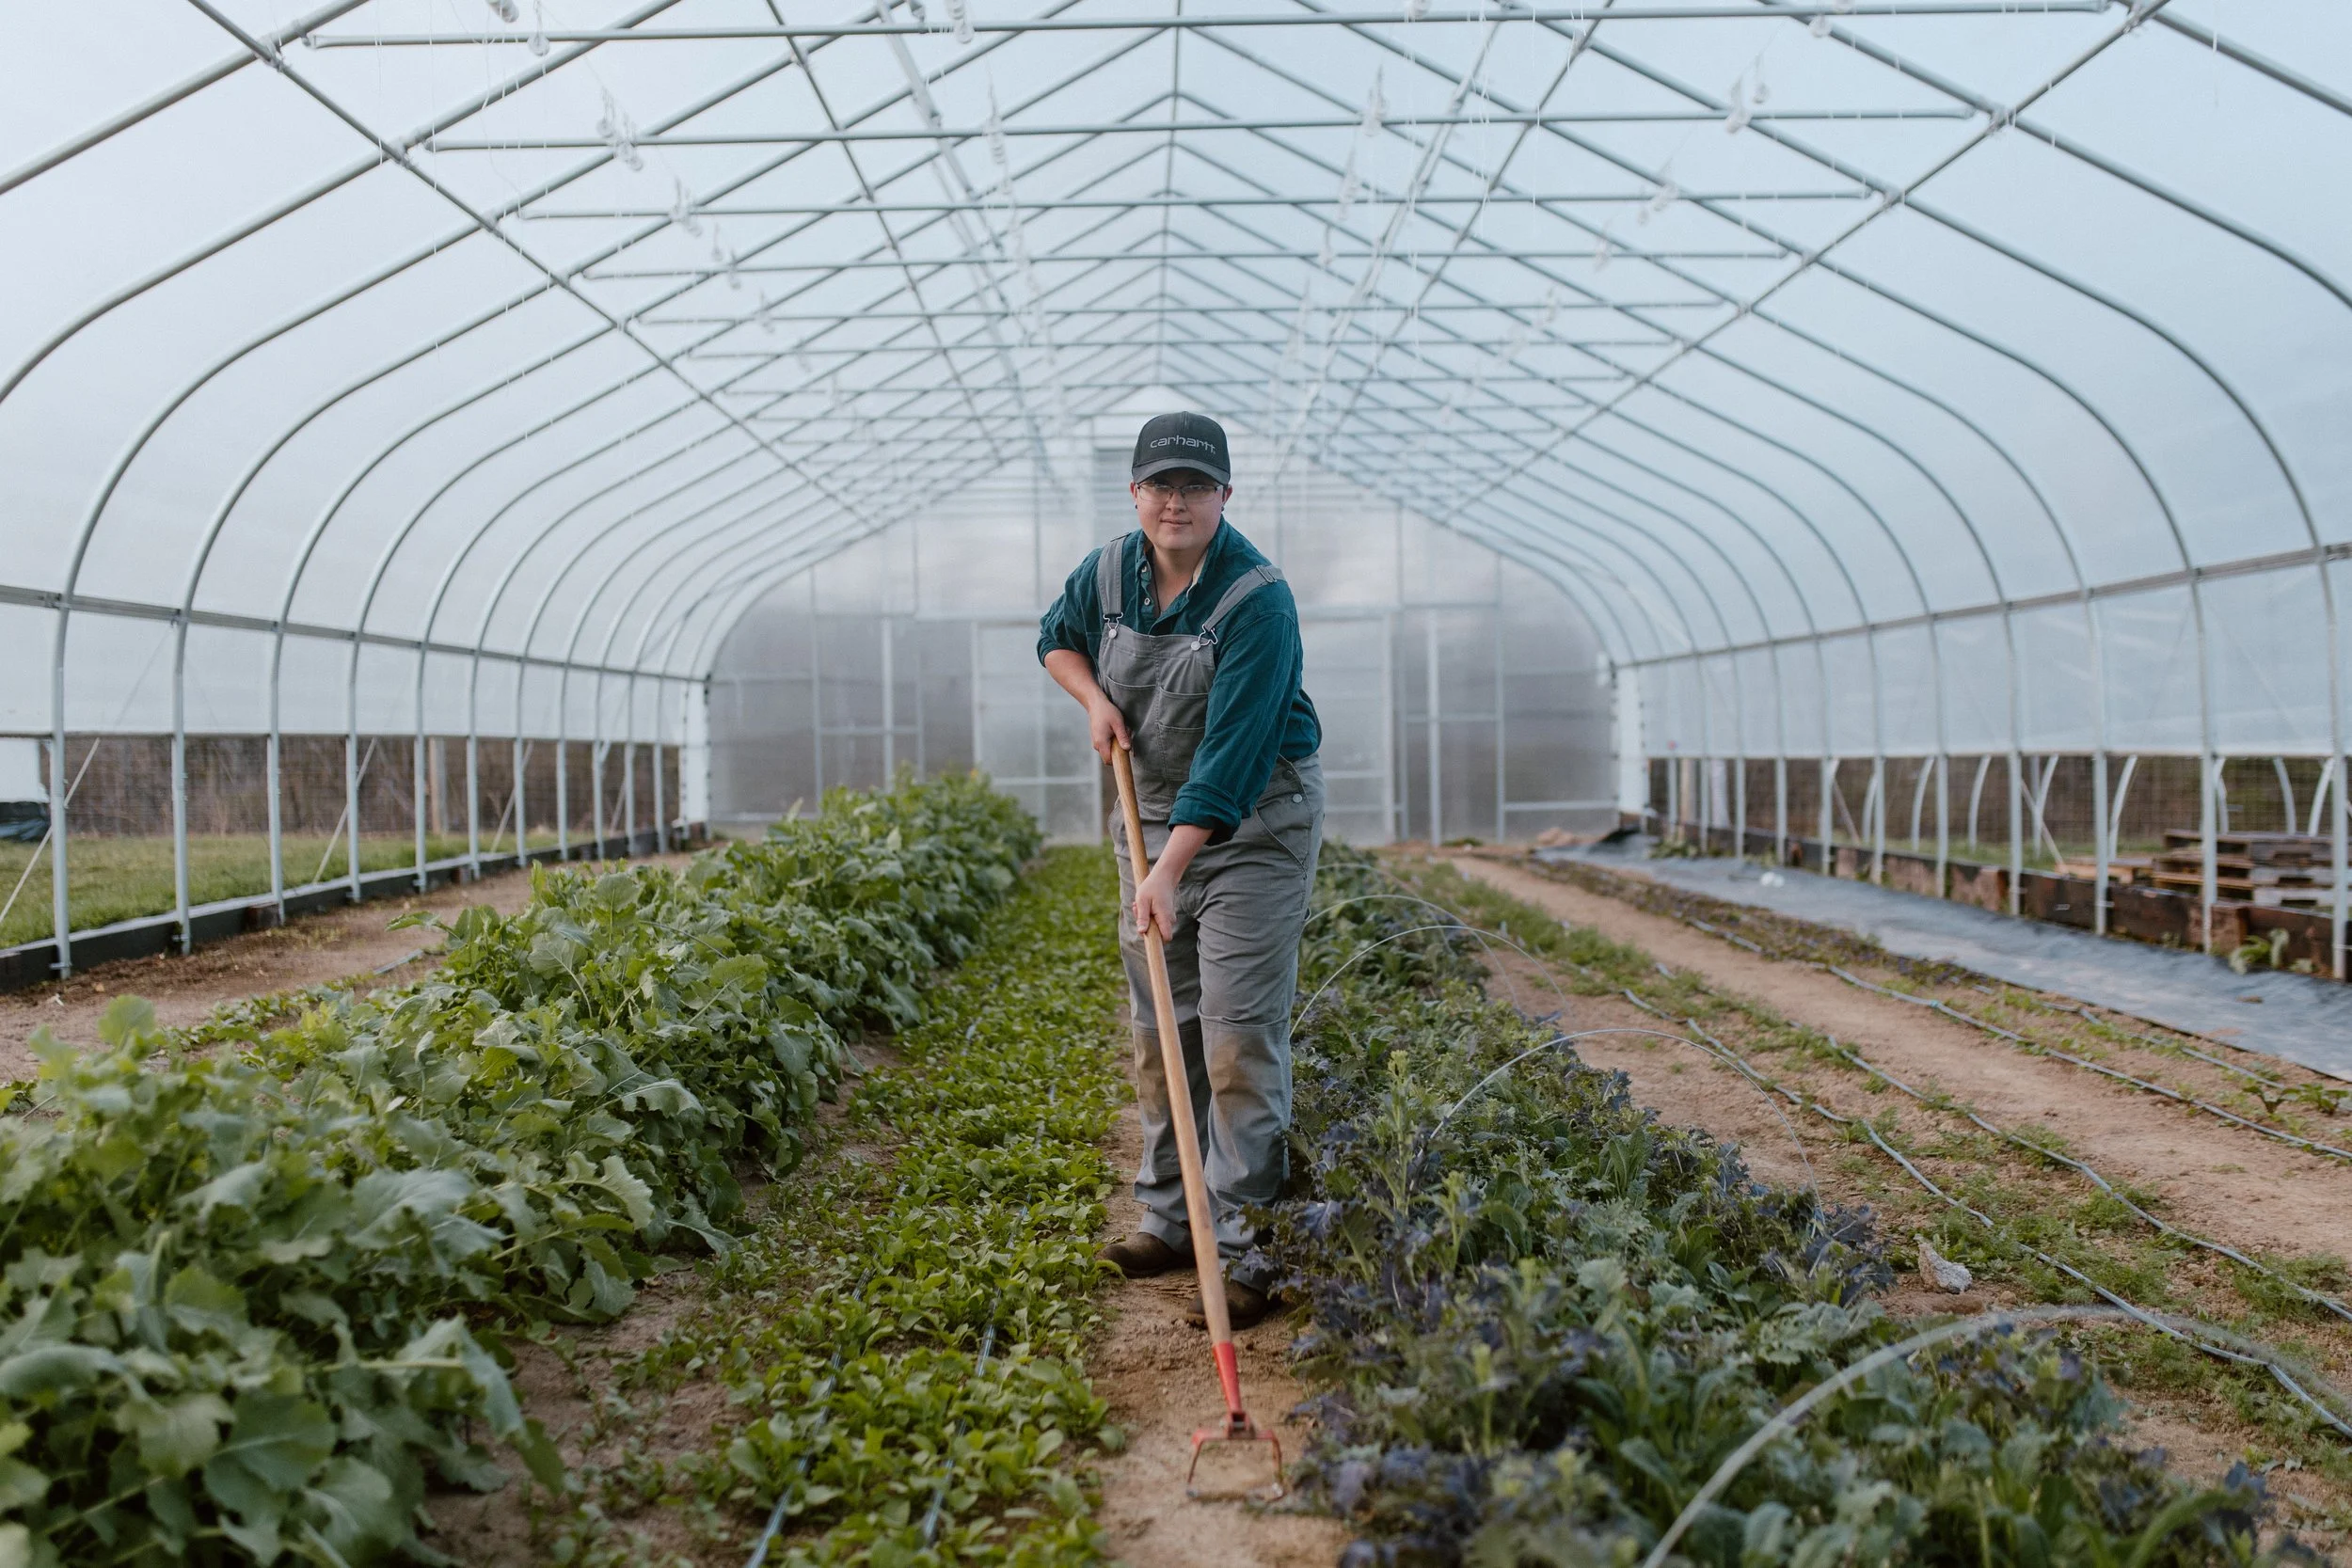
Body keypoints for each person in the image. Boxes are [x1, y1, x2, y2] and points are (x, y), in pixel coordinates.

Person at [1038, 411, 1324, 1330]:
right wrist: (1093, 698)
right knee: (1162, 1025)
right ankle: (1169, 1217)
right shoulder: (1106, 572)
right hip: (1149, 814)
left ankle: (1246, 1249)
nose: (1176, 501)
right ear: (1134, 492)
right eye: (1161, 483)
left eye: (1196, 485)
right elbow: (1055, 638)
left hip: (1253, 825)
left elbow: (1232, 763)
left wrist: (1164, 871)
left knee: (1235, 1036)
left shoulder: (1257, 600)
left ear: (1225, 495)